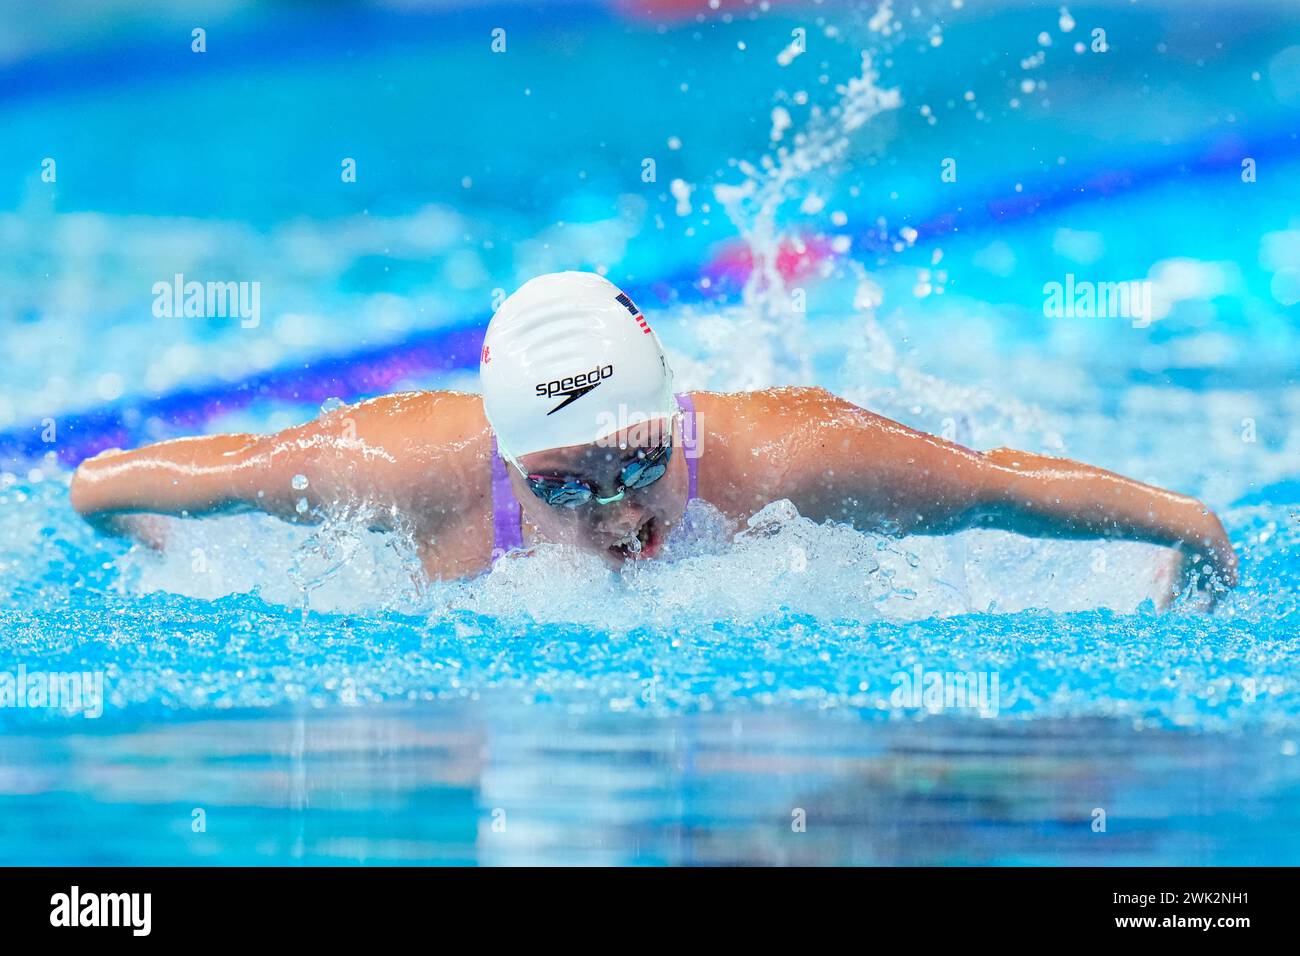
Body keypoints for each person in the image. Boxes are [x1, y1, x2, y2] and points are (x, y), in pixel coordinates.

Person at [70, 271, 1238, 597]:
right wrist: (156, 542)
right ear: (507, 458)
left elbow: (993, 488)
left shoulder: (779, 457)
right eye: (568, 485)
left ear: (675, 417)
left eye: (642, 460)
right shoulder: (402, 464)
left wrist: (1184, 526)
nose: (623, 510)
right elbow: (105, 485)